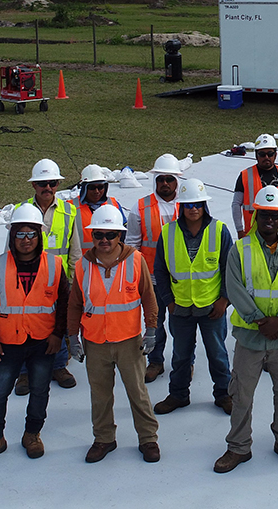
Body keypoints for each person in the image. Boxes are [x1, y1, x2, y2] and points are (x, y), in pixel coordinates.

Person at [214, 186, 278, 473]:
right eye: (264, 214)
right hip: (250, 336)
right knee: (241, 393)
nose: (269, 220)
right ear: (256, 215)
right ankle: (238, 447)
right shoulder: (240, 249)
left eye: (274, 215)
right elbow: (234, 287)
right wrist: (258, 319)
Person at [0, 204, 70, 465]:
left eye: (31, 235)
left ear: (40, 236)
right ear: (12, 236)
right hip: (6, 344)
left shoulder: (55, 265)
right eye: (20, 235)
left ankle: (32, 434)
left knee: (39, 390)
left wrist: (59, 335)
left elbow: (64, 303)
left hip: (43, 342)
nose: (26, 241)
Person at [66, 204, 161, 463]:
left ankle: (148, 438)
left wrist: (151, 330)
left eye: (110, 235)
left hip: (129, 341)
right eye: (99, 235)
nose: (104, 240)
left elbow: (148, 299)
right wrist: (72, 337)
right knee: (100, 395)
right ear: (92, 236)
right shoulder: (83, 265)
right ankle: (104, 438)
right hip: (95, 341)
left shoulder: (135, 259)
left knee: (137, 392)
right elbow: (74, 304)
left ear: (120, 235)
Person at [152, 179, 234, 416]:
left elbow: (230, 268)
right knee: (180, 356)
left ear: (204, 205)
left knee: (218, 355)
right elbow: (160, 269)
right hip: (181, 309)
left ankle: (224, 394)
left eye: (198, 204)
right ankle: (178, 394)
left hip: (211, 309)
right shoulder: (168, 233)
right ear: (182, 207)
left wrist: (223, 300)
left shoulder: (219, 230)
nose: (193, 209)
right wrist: (168, 300)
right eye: (189, 205)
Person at [16, 158, 80, 394]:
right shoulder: (22, 211)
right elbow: (10, 248)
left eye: (52, 183)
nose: (48, 188)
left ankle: (58, 366)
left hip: (58, 280)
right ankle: (23, 373)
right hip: (27, 280)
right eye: (43, 183)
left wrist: (72, 282)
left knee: (58, 325)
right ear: (34, 185)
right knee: (24, 324)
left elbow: (75, 251)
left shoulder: (70, 212)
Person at [125, 153, 182, 383]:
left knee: (181, 327)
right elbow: (131, 246)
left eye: (169, 179)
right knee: (154, 323)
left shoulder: (188, 204)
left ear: (177, 181)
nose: (165, 183)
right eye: (161, 179)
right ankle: (155, 362)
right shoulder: (140, 208)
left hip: (182, 280)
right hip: (152, 279)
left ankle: (183, 363)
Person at [232, 133, 278, 238]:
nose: (266, 157)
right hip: (252, 234)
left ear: (275, 155)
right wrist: (240, 230)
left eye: (270, 154)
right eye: (262, 154)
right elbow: (236, 204)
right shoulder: (245, 175)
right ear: (256, 155)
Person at [75, 164, 127, 255]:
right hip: (83, 262)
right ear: (84, 187)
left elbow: (123, 234)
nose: (97, 191)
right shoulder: (71, 207)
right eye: (92, 187)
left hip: (110, 261)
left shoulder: (114, 204)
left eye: (100, 187)